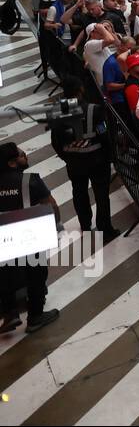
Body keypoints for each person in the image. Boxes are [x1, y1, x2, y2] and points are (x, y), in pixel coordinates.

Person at [0, 143, 62, 334]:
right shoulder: (30, 180)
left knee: (5, 274)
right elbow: (51, 205)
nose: (24, 155)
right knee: (36, 274)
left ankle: (10, 313)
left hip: (4, 236)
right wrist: (56, 225)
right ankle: (35, 316)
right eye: (20, 154)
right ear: (12, 162)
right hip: (30, 233)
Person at [49, 74, 117, 241]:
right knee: (101, 195)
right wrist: (110, 156)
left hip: (74, 163)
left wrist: (66, 156)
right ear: (81, 90)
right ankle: (105, 228)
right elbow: (104, 135)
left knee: (79, 193)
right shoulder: (94, 110)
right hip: (97, 161)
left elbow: (55, 141)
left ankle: (85, 225)